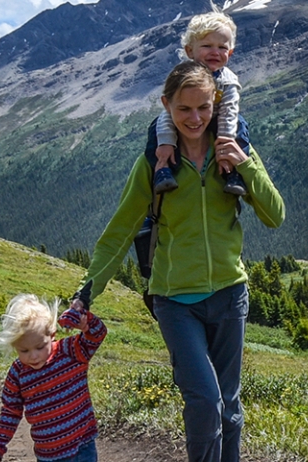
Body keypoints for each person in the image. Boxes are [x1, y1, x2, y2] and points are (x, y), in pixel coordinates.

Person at [77, 60, 285, 461]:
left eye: (204, 108)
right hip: (174, 300)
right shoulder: (156, 164)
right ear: (166, 106)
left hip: (229, 294)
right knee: (206, 402)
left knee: (230, 407)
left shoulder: (235, 153)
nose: (195, 118)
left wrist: (245, 164)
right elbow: (119, 231)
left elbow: (275, 215)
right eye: (184, 109)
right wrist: (88, 290)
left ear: (217, 103)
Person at [0, 294, 107, 462]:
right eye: (24, 351)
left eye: (40, 346)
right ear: (15, 346)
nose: (33, 356)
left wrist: (85, 321)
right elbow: (10, 411)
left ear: (52, 334)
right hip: (48, 456)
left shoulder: (71, 351)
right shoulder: (18, 373)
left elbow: (98, 334)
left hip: (83, 446)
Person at [149, 11, 251, 197]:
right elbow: (169, 111)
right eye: (207, 45)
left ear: (230, 52)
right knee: (156, 128)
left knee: (240, 124)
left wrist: (226, 143)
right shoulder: (183, 76)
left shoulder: (228, 80)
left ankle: (235, 172)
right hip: (190, 120)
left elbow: (229, 111)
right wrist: (165, 141)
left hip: (217, 119)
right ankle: (161, 169)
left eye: (222, 47)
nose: (215, 52)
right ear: (189, 51)